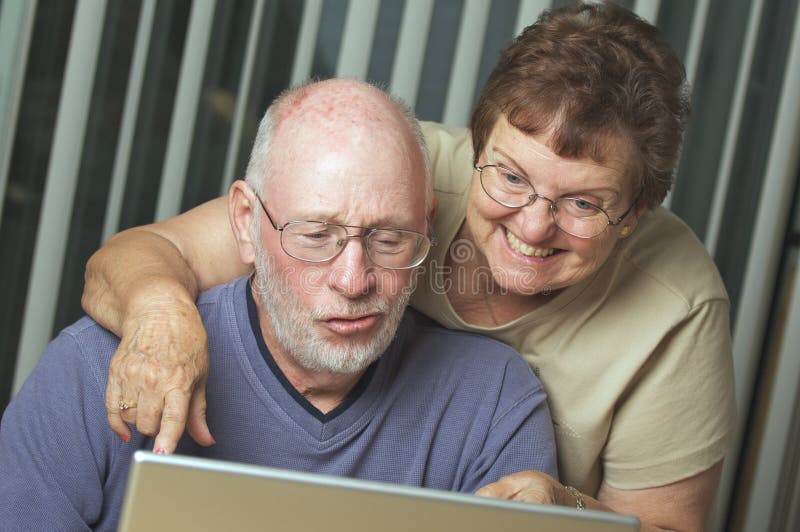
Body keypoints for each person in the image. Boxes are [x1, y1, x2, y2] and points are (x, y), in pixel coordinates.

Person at [81, 2, 736, 530]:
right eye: (509, 177)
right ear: (476, 144)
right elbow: (137, 257)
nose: (533, 226)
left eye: (584, 203)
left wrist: (568, 510)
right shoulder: (394, 175)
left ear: (636, 211)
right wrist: (160, 310)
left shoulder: (677, 308)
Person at [0, 79, 558, 530]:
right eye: (315, 236)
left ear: (427, 227)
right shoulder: (104, 367)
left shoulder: (492, 402)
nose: (353, 280)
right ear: (246, 223)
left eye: (389, 238)